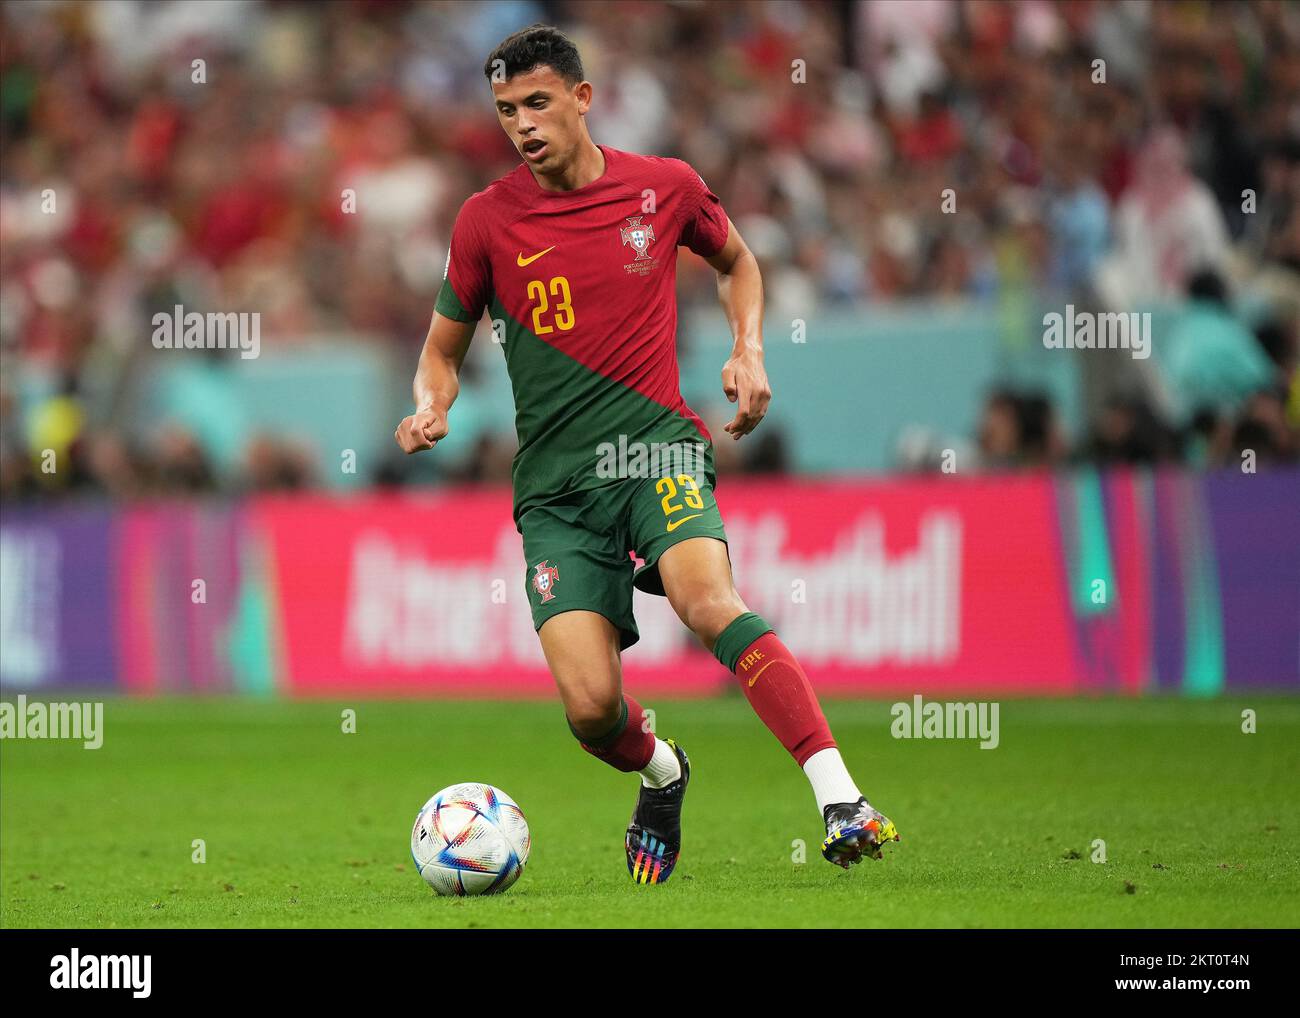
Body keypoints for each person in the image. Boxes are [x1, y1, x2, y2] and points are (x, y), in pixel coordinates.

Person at [394, 24, 898, 884]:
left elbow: (739, 263)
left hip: (655, 452)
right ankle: (664, 771)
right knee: (592, 711)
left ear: (583, 99)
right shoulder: (485, 221)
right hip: (555, 493)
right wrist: (430, 404)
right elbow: (442, 349)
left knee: (709, 601)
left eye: (539, 103)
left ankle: (841, 797)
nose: (523, 123)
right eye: (508, 109)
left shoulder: (662, 189)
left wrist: (750, 349)